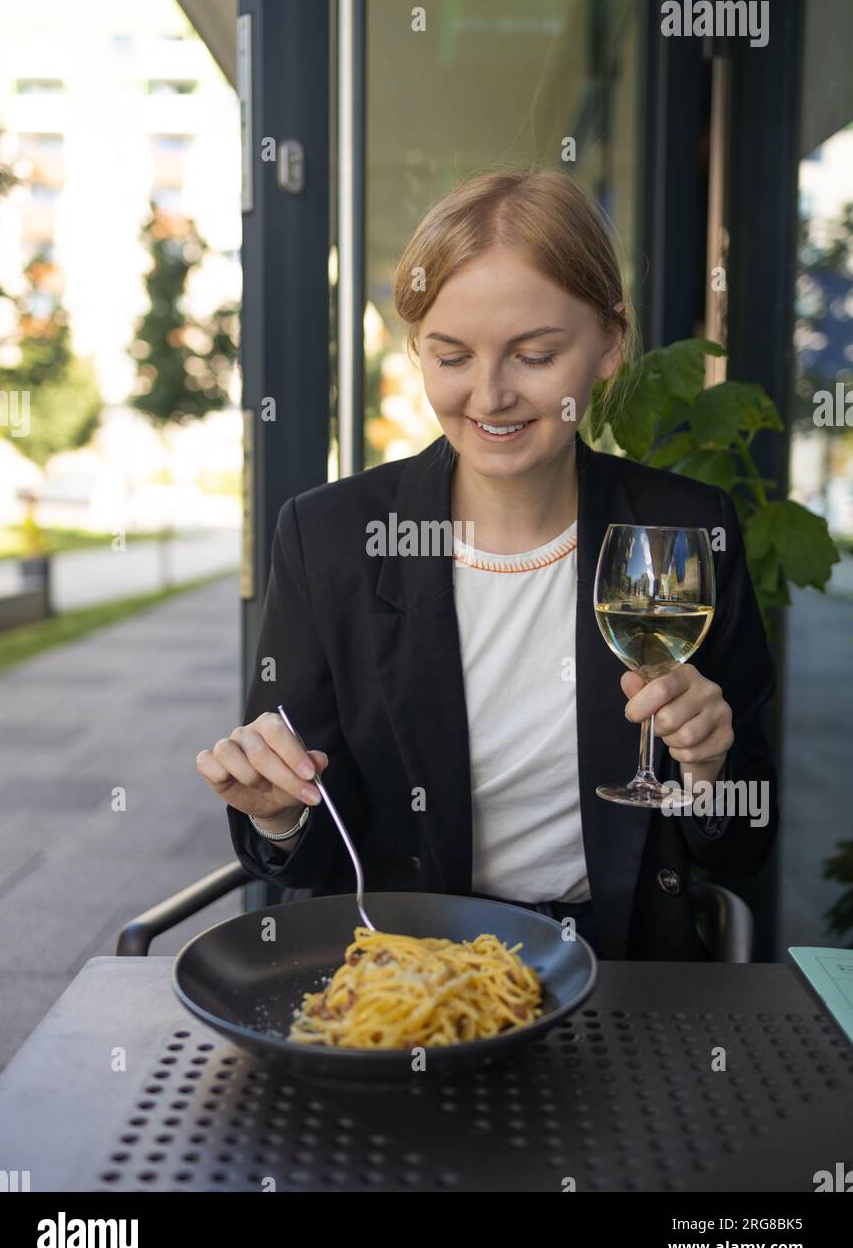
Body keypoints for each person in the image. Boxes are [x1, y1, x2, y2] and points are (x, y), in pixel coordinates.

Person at [196, 168, 779, 961]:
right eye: (453, 356)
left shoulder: (686, 530)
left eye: (534, 355)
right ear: (418, 351)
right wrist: (278, 811)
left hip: (626, 968)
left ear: (610, 343)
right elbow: (318, 857)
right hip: (407, 969)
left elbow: (744, 846)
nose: (490, 395)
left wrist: (710, 769)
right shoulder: (328, 536)